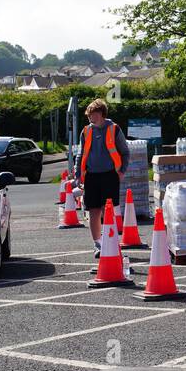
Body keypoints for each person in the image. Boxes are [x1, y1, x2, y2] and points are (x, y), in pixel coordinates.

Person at [78, 98, 130, 258]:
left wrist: (121, 171)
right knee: (93, 211)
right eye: (88, 115)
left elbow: (125, 152)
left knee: (108, 210)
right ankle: (98, 244)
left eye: (91, 115)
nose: (89, 118)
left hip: (110, 175)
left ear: (100, 113)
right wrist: (79, 174)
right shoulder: (86, 131)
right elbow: (81, 154)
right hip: (91, 176)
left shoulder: (114, 129)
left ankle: (111, 242)